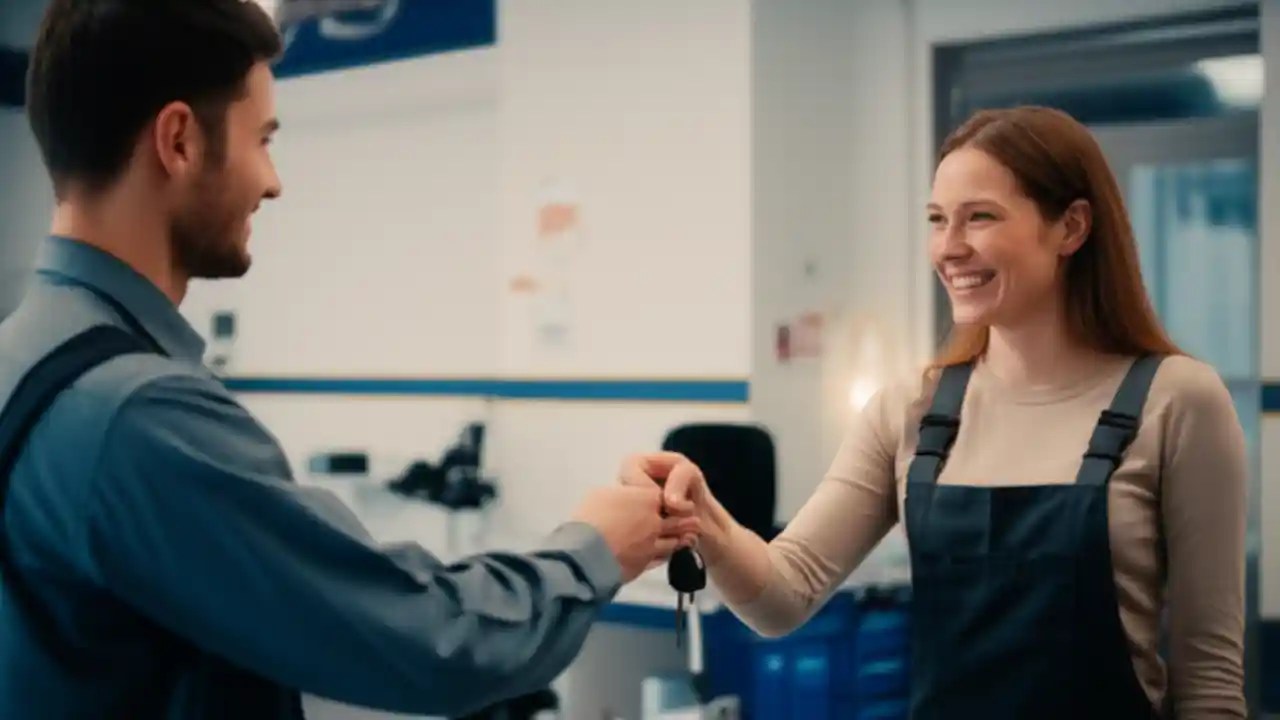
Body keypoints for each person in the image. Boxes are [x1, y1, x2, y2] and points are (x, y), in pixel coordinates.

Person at [0, 1, 695, 718]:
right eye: (262, 140)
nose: (273, 182)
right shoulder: (137, 416)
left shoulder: (23, 359)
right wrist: (594, 550)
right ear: (178, 141)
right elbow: (432, 642)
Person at [623, 106, 1247, 718]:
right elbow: (784, 596)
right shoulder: (910, 411)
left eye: (980, 218)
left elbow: (1211, 683)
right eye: (936, 219)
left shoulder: (1178, 401)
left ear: (1071, 228)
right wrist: (705, 517)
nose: (949, 248)